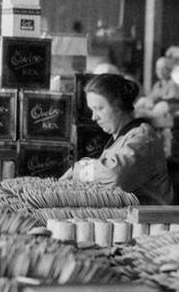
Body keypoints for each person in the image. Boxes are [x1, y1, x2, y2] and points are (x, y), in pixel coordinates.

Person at [67, 73, 173, 205]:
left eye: (99, 109)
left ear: (118, 107)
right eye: (92, 110)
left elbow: (115, 175)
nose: (94, 117)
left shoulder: (143, 139)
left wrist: (77, 169)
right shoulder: (120, 139)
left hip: (151, 222)